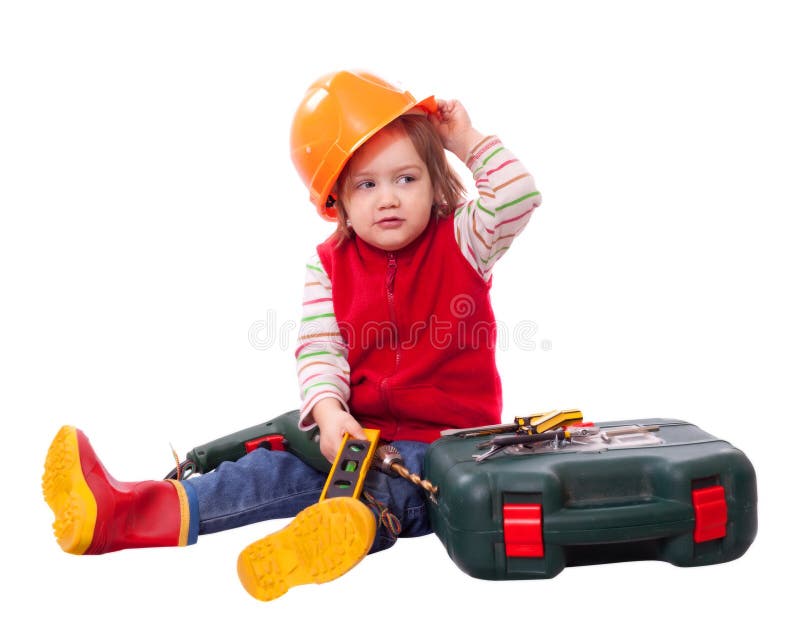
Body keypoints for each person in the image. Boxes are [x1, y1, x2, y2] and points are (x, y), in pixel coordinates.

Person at [42, 69, 542, 601]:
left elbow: (518, 194)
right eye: (366, 185)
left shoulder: (464, 238)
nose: (388, 198)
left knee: (398, 490)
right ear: (338, 201)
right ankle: (119, 513)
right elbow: (320, 351)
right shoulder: (329, 265)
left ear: (437, 179)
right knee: (265, 471)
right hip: (355, 435)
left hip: (445, 447)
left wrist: (463, 139)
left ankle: (337, 534)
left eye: (407, 179)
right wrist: (328, 413)